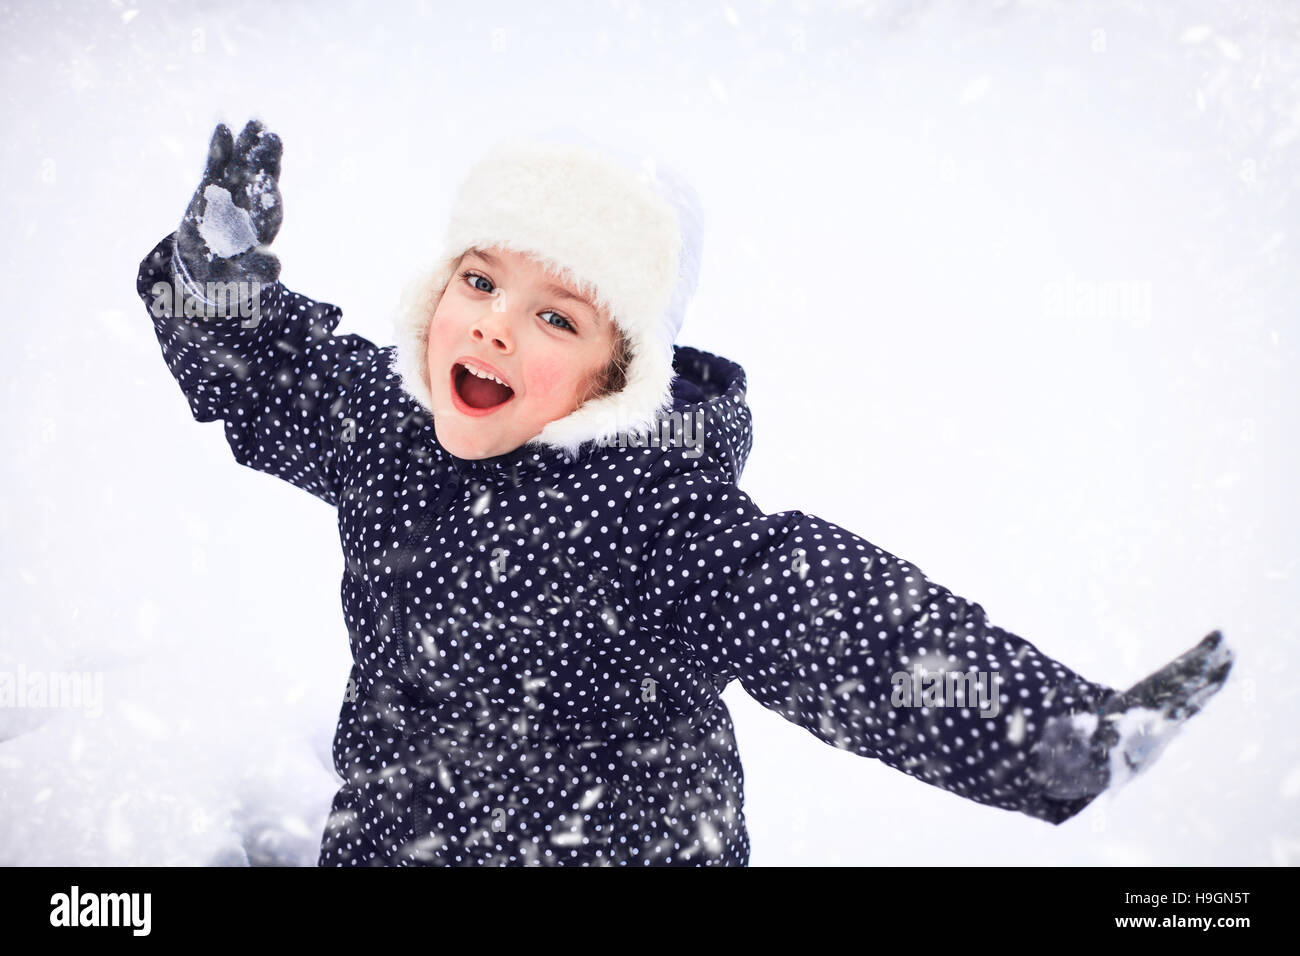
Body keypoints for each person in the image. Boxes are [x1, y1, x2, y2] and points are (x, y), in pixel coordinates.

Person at [135, 119, 1234, 866]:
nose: (494, 322)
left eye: (556, 315)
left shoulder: (655, 519)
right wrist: (211, 278)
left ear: (623, 373)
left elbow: (840, 624)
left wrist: (1045, 729)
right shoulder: (395, 428)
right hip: (390, 839)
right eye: (478, 280)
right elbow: (271, 374)